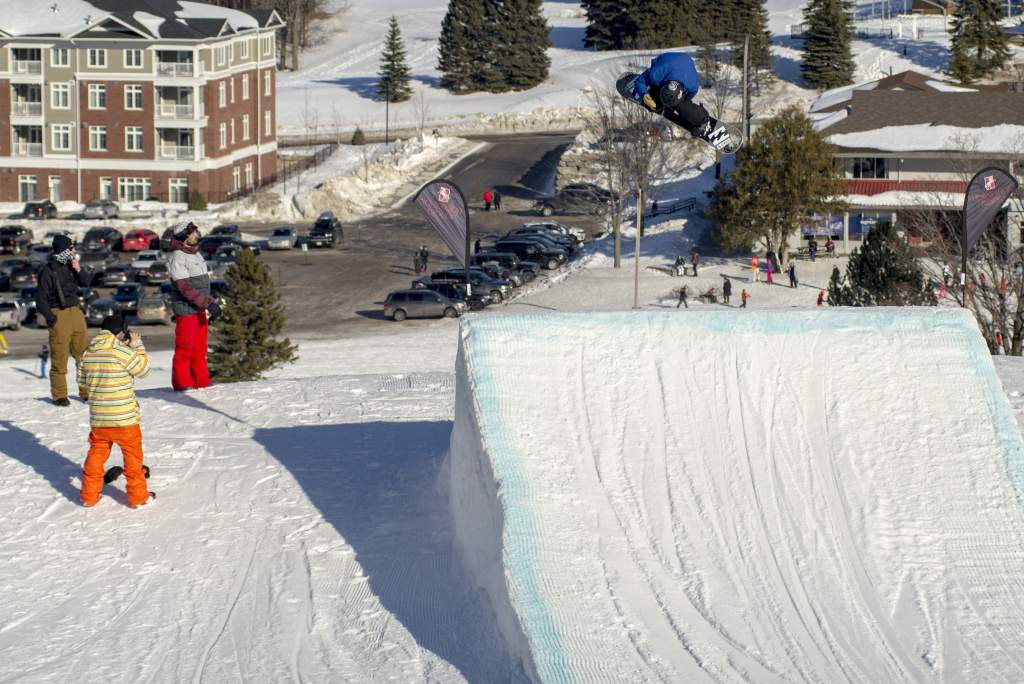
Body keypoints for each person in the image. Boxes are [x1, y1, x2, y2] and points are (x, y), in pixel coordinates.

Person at [78, 313, 154, 508]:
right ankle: (138, 498)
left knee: (96, 455)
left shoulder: (88, 352)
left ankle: (89, 496)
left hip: (99, 420)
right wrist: (137, 346)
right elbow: (143, 370)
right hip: (124, 419)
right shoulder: (121, 351)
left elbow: (82, 384)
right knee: (132, 460)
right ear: (120, 333)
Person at [36, 234, 93, 406]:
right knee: (60, 357)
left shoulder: (71, 265)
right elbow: (40, 300)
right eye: (71, 248)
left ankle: (86, 392)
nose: (73, 251)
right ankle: (60, 395)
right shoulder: (47, 271)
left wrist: (79, 269)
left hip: (75, 312)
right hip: (58, 314)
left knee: (83, 356)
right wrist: (52, 319)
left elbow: (87, 282)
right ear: (63, 250)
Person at [168, 223, 221, 392]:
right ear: (185, 236)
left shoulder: (195, 253)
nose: (197, 234)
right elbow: (185, 289)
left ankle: (202, 382)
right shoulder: (178, 257)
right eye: (193, 233)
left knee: (199, 349)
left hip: (199, 309)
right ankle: (182, 383)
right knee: (185, 349)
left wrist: (209, 304)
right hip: (186, 310)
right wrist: (208, 303)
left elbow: (201, 286)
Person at [630, 52, 713, 140]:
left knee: (683, 107)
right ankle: (660, 103)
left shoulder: (692, 86)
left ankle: (703, 120)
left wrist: (685, 112)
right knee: (655, 102)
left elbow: (687, 100)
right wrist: (644, 95)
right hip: (666, 63)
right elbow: (639, 81)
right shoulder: (655, 74)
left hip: (684, 63)